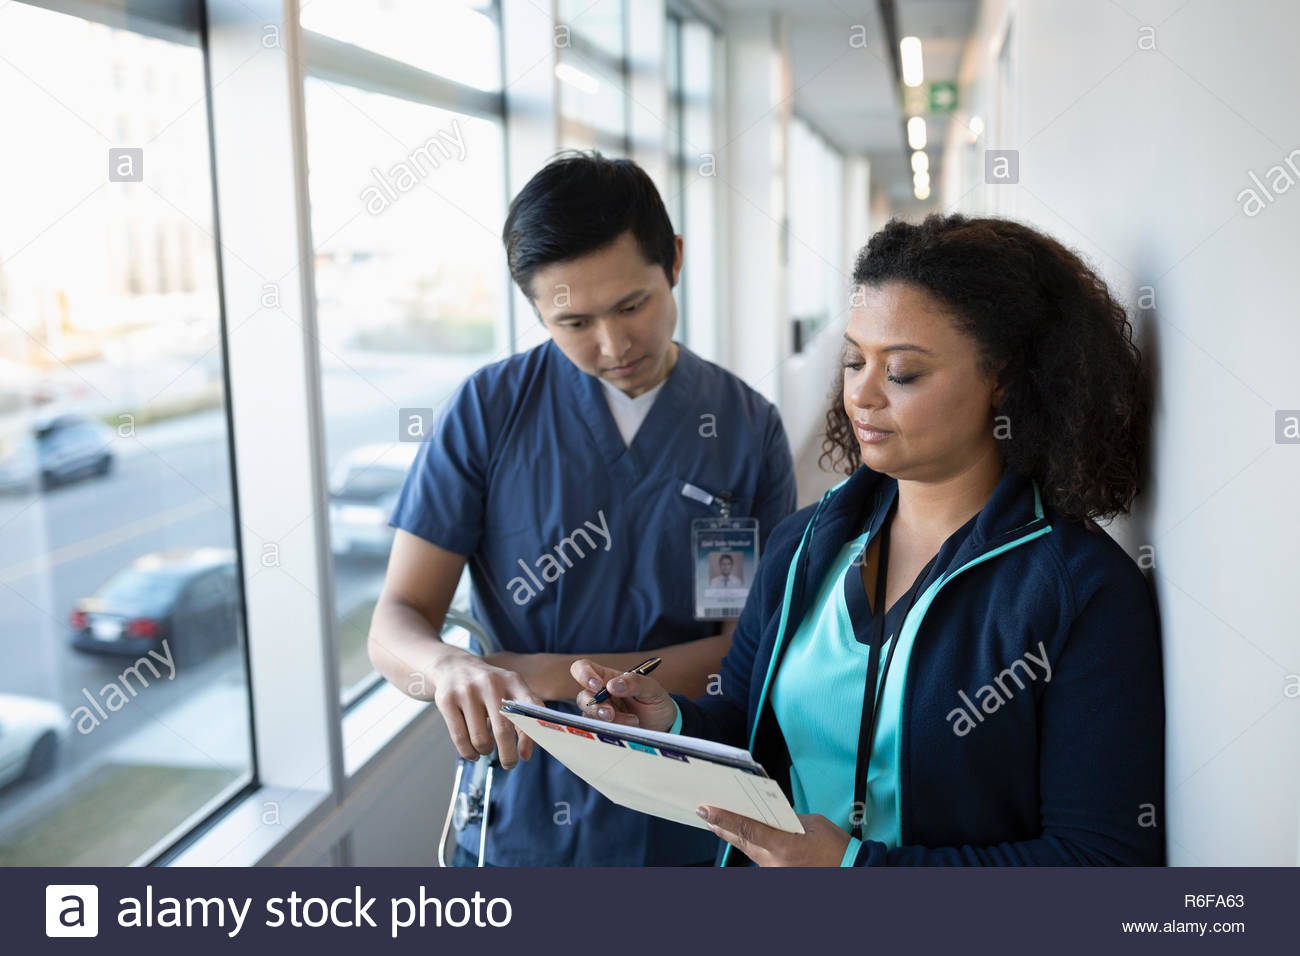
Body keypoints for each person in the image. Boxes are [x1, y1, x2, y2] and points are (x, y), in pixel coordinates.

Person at [573, 213, 1165, 866]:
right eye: (855, 360)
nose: (861, 395)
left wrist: (856, 871)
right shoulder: (805, 546)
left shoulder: (1081, 591)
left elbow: (1103, 861)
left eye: (903, 373)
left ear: (1006, 379)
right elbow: (750, 721)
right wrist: (672, 724)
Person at [368, 151, 797, 866]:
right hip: (527, 805)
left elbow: (739, 653)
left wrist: (535, 675)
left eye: (634, 305)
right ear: (536, 309)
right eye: (573, 322)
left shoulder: (742, 429)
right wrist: (447, 667)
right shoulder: (489, 411)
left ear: (677, 263)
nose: (613, 344)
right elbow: (397, 621)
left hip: (688, 807)